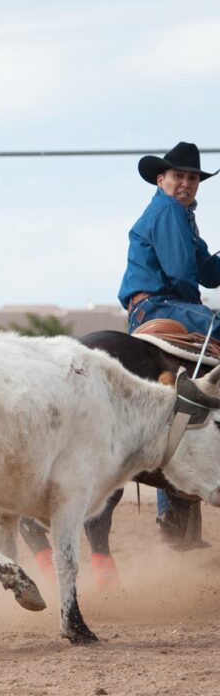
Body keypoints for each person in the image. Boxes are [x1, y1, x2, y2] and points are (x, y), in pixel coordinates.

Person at [118, 140, 220, 543]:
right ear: (161, 179)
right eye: (179, 176)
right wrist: (202, 310)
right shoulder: (168, 212)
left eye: (193, 178)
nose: (186, 183)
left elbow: (209, 271)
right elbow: (182, 273)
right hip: (161, 305)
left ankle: (176, 518)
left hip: (157, 305)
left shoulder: (181, 217)